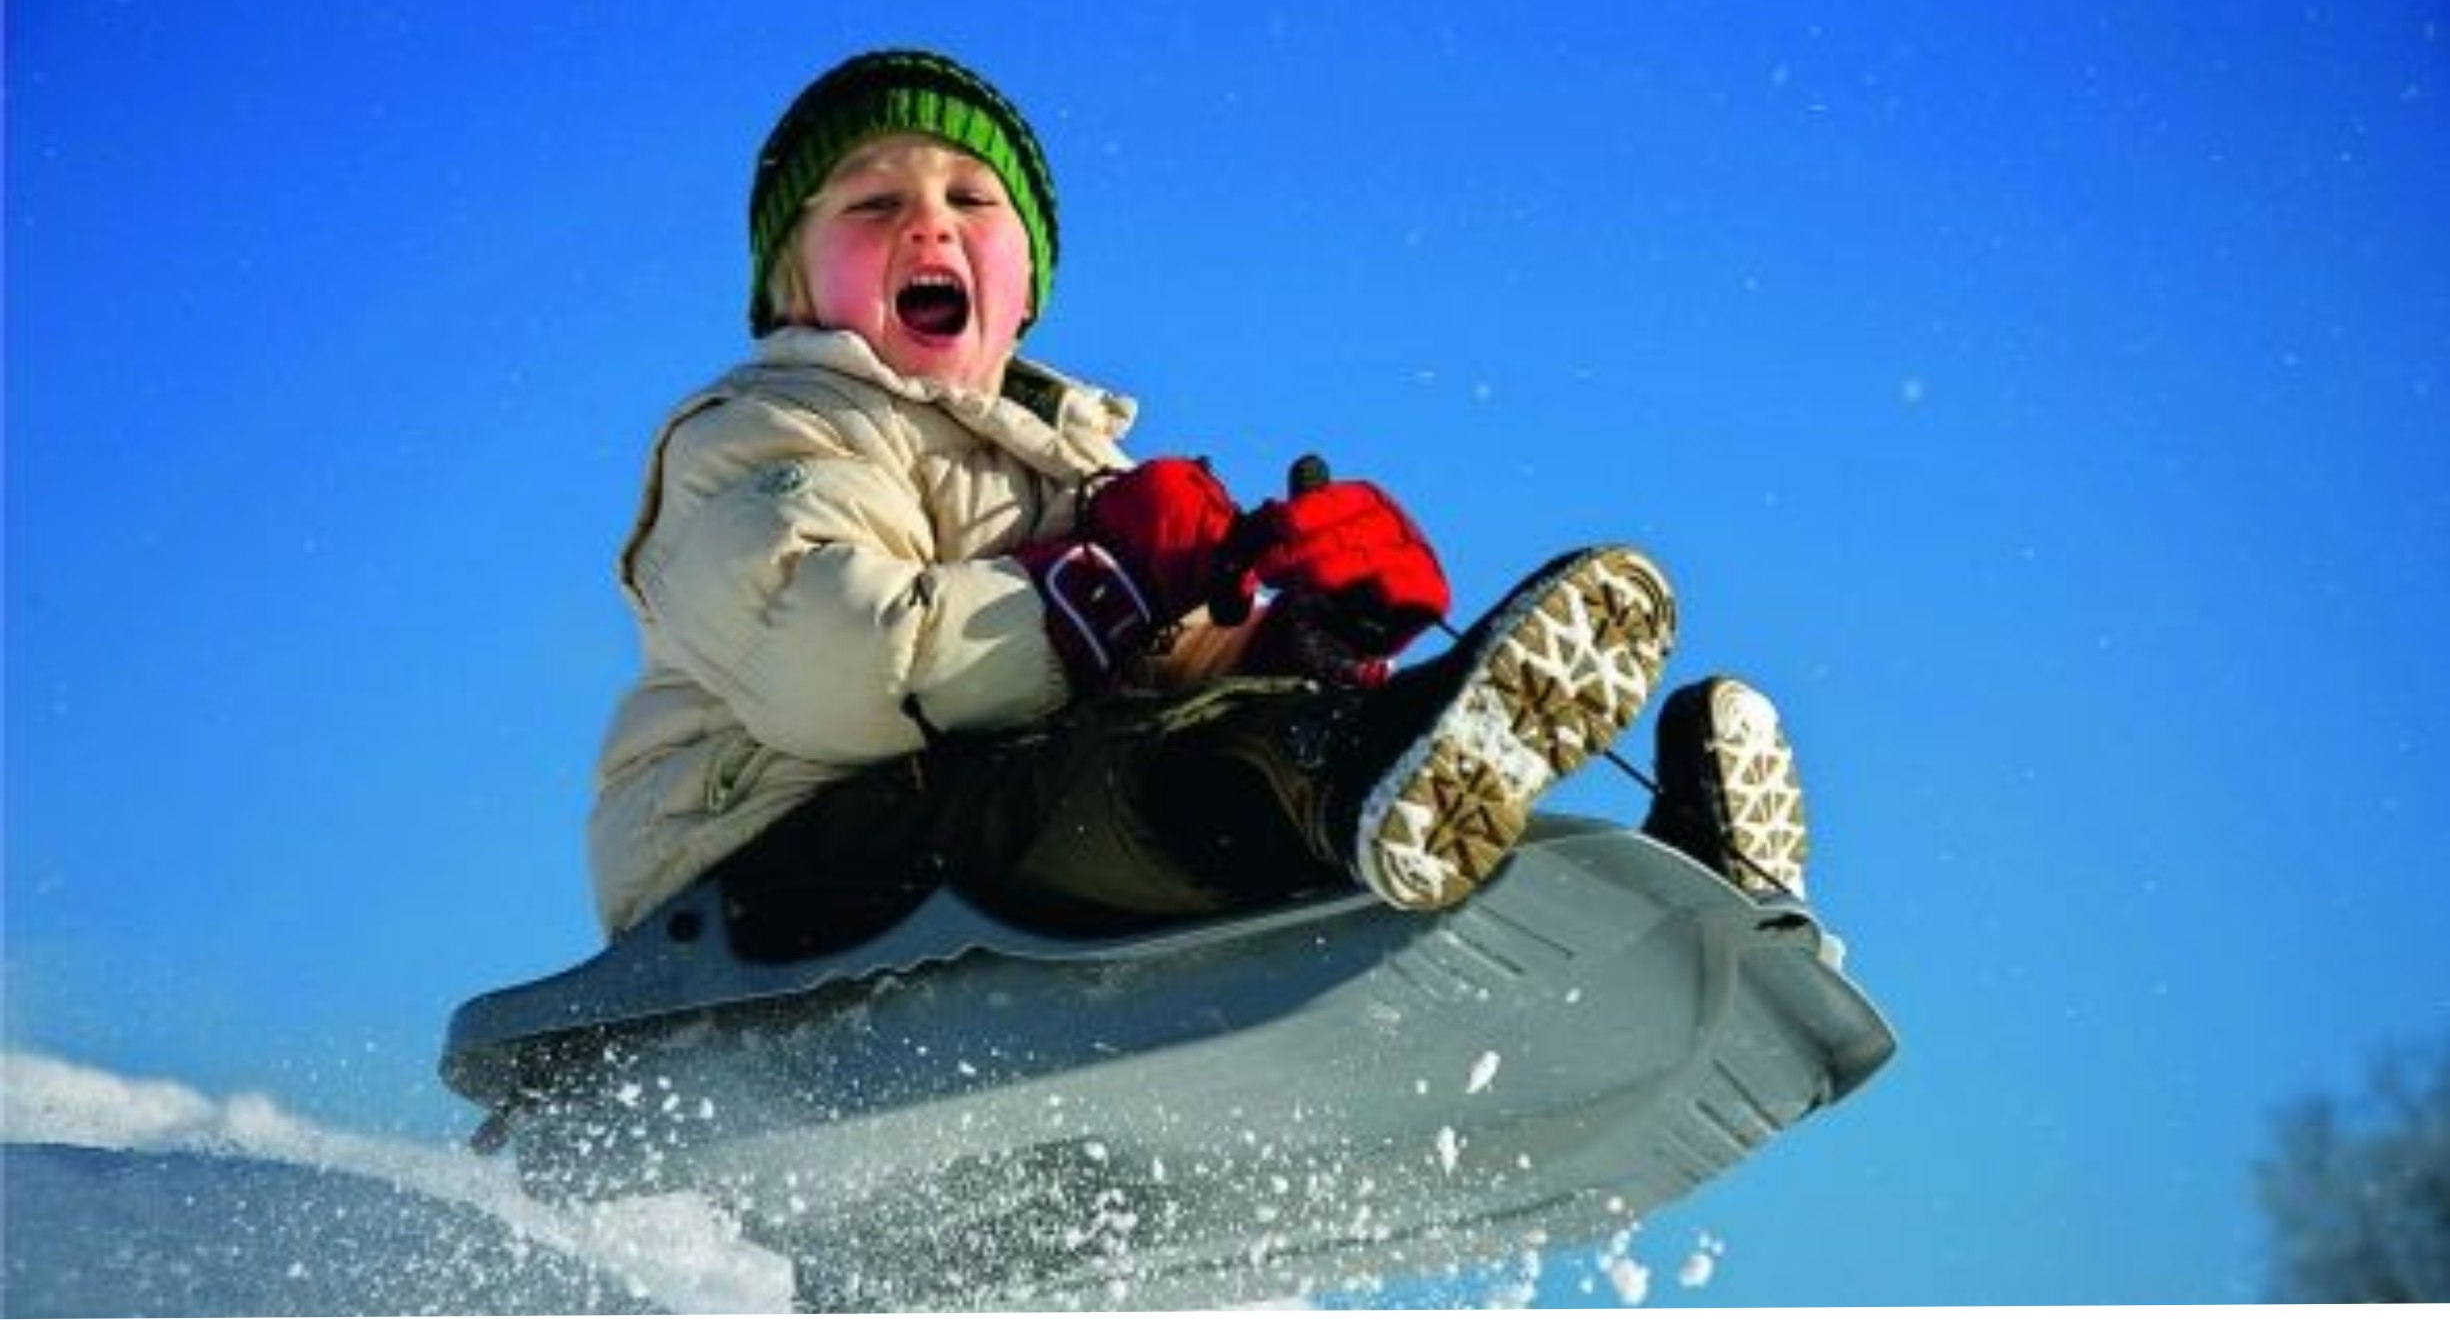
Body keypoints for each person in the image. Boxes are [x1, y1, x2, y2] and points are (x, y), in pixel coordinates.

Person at [586, 48, 1810, 957]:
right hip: (761, 867)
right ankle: (1362, 783)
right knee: (1147, 778)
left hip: (985, 862)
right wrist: (1104, 582)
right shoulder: (764, 430)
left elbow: (1145, 678)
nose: (927, 222)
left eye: (972, 201)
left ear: (1022, 293)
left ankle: (1653, 902)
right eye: (870, 203)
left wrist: (1303, 638)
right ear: (790, 289)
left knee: (1218, 738)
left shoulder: (1072, 478)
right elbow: (840, 665)